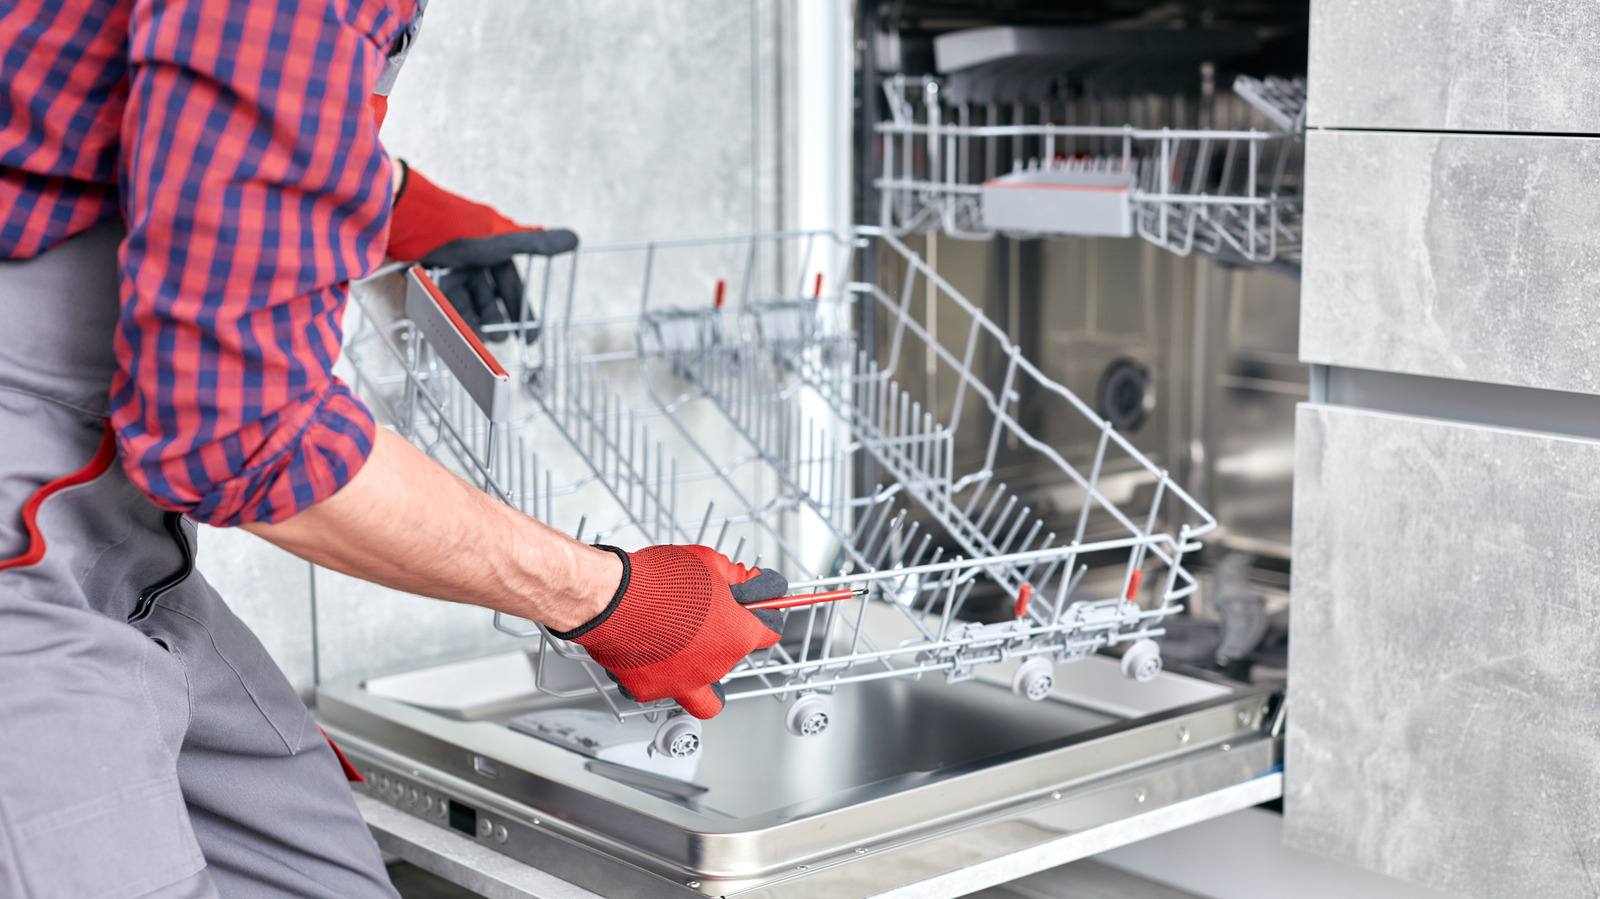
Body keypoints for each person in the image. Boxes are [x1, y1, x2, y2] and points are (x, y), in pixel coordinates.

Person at [0, 1, 784, 896]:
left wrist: (389, 198)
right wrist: (607, 597)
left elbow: (126, 84)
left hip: (110, 526)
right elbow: (239, 434)